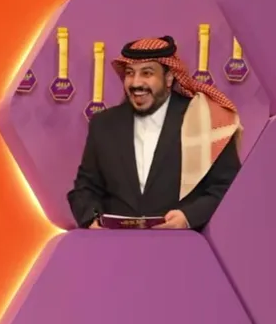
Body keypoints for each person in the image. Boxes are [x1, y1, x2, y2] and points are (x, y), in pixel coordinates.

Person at [67, 35, 242, 231]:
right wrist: (92, 220)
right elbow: (85, 188)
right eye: (130, 73)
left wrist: (188, 217)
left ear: (169, 78)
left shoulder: (205, 119)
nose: (136, 83)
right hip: (115, 245)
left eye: (147, 73)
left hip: (184, 245)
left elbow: (228, 186)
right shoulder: (104, 124)